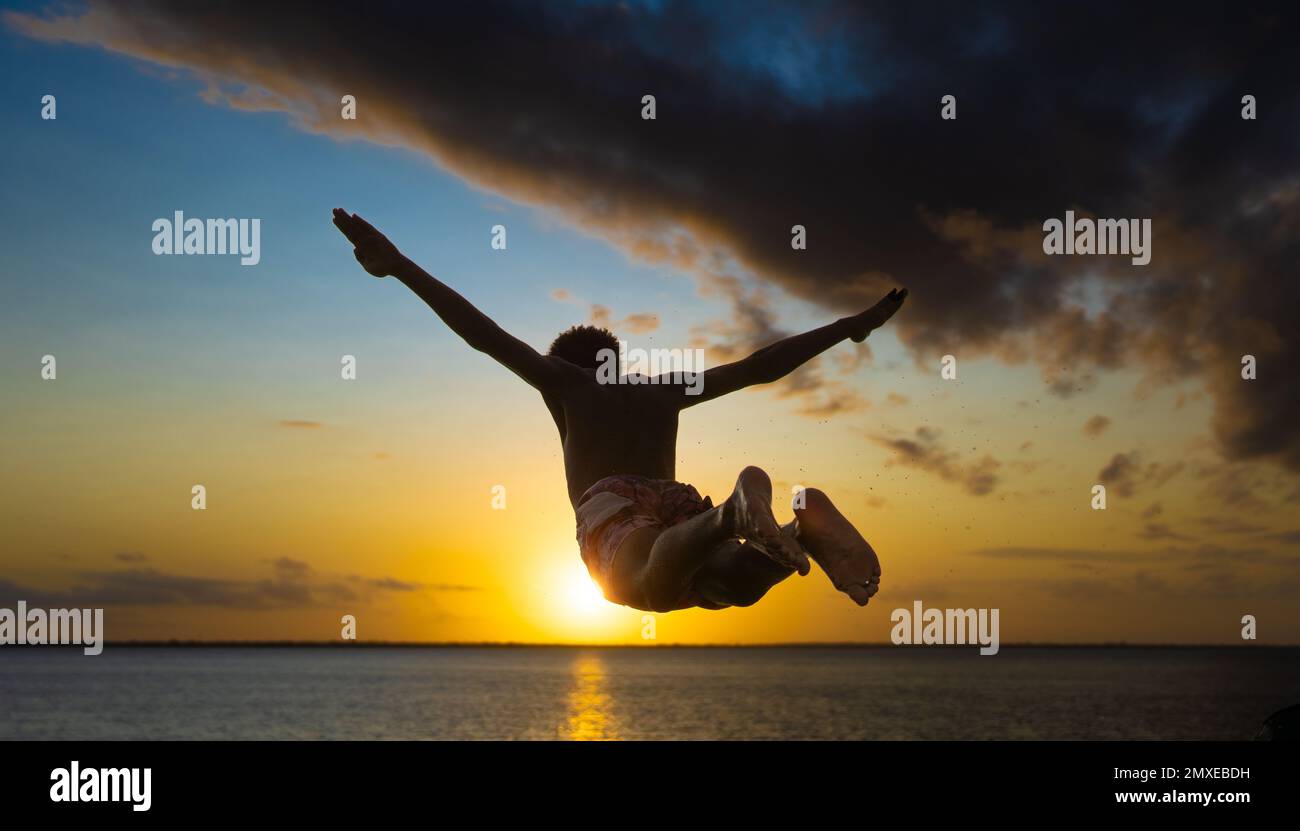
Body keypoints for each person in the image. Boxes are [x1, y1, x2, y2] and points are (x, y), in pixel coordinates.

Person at [333, 208, 907, 613]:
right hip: (675, 503)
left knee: (647, 588)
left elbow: (483, 334)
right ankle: (796, 529)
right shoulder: (661, 390)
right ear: (616, 362)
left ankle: (737, 510)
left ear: (568, 366)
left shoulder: (564, 382)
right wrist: (847, 328)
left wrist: (401, 267)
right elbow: (761, 366)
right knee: (725, 587)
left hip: (616, 503)